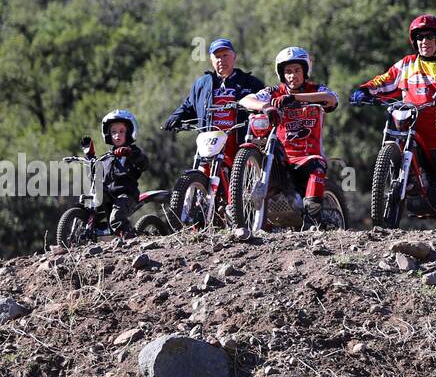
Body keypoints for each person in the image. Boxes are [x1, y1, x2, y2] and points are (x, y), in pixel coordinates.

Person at [351, 14, 436, 225]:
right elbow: (385, 80)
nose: (424, 42)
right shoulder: (406, 64)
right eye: (420, 37)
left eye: (429, 37)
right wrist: (365, 90)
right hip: (407, 122)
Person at [239, 46, 338, 230]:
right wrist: (266, 107)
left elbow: (331, 98)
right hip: (282, 155)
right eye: (288, 71)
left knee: (317, 167)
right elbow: (245, 100)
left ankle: (312, 223)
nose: (293, 76)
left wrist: (294, 98)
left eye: (297, 70)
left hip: (309, 156)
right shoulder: (274, 91)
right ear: (282, 74)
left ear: (305, 71)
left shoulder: (316, 89)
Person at [164, 38, 265, 214]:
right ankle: (197, 216)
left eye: (225, 55)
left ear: (234, 57)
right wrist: (175, 117)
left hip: (238, 139)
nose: (221, 60)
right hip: (210, 139)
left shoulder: (251, 83)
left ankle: (244, 214)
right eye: (217, 56)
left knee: (241, 184)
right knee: (203, 173)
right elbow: (189, 105)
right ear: (211, 59)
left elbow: (263, 104)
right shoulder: (203, 83)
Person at [96, 110, 149, 236]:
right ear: (108, 134)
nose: (117, 135)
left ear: (129, 133)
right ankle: (72, 239)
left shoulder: (133, 152)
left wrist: (130, 153)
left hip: (126, 195)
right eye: (113, 132)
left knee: (116, 218)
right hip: (108, 195)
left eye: (121, 131)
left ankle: (129, 240)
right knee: (89, 205)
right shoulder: (106, 157)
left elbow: (144, 163)